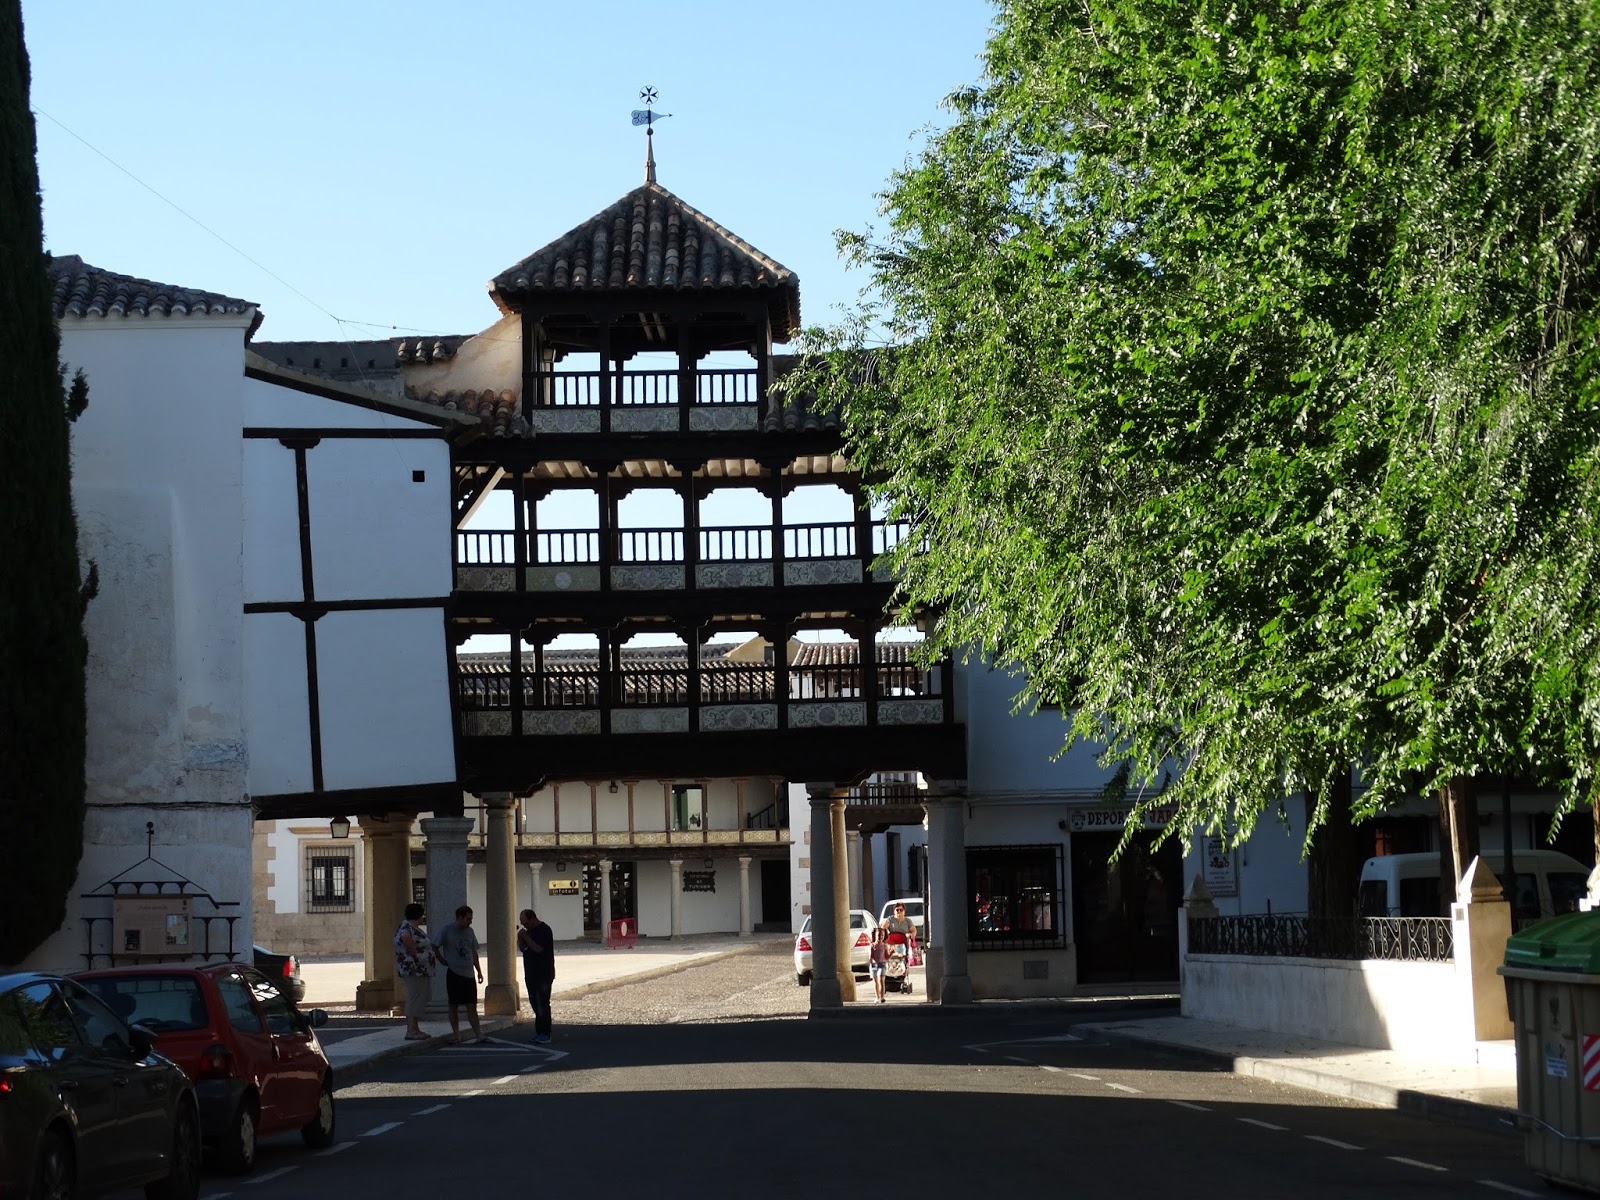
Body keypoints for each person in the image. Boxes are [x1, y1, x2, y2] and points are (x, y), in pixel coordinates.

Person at [430, 905, 487, 1044]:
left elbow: (474, 952)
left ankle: (479, 1034)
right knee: (453, 1005)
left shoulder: (470, 932)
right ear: (460, 917)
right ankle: (457, 1034)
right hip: (454, 973)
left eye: (471, 919)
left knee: (471, 1005)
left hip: (469, 974)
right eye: (468, 919)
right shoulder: (447, 930)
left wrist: (478, 970)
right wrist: (441, 959)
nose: (470, 922)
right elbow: (434, 945)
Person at [393, 902, 436, 1040]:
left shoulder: (410, 926)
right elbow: (406, 938)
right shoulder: (407, 928)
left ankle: (415, 1028)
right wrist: (415, 953)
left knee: (418, 998)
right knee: (414, 997)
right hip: (414, 969)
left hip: (419, 969)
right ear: (419, 915)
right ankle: (411, 1030)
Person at [516, 908, 555, 1043]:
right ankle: (539, 1031)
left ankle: (546, 1032)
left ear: (532, 918)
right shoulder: (528, 932)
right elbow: (523, 949)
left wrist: (526, 937)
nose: (525, 926)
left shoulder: (544, 930)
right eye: (523, 924)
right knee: (534, 1002)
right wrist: (520, 938)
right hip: (530, 972)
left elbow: (538, 949)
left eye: (526, 923)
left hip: (543, 972)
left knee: (543, 1003)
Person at [868, 925, 889, 1004]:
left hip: (882, 964)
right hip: (874, 965)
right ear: (875, 935)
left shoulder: (885, 945)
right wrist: (873, 961)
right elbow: (871, 956)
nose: (880, 937)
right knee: (876, 981)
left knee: (882, 980)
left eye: (882, 935)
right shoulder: (873, 945)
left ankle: (882, 997)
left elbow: (887, 956)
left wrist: (891, 953)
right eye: (878, 935)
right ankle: (877, 997)